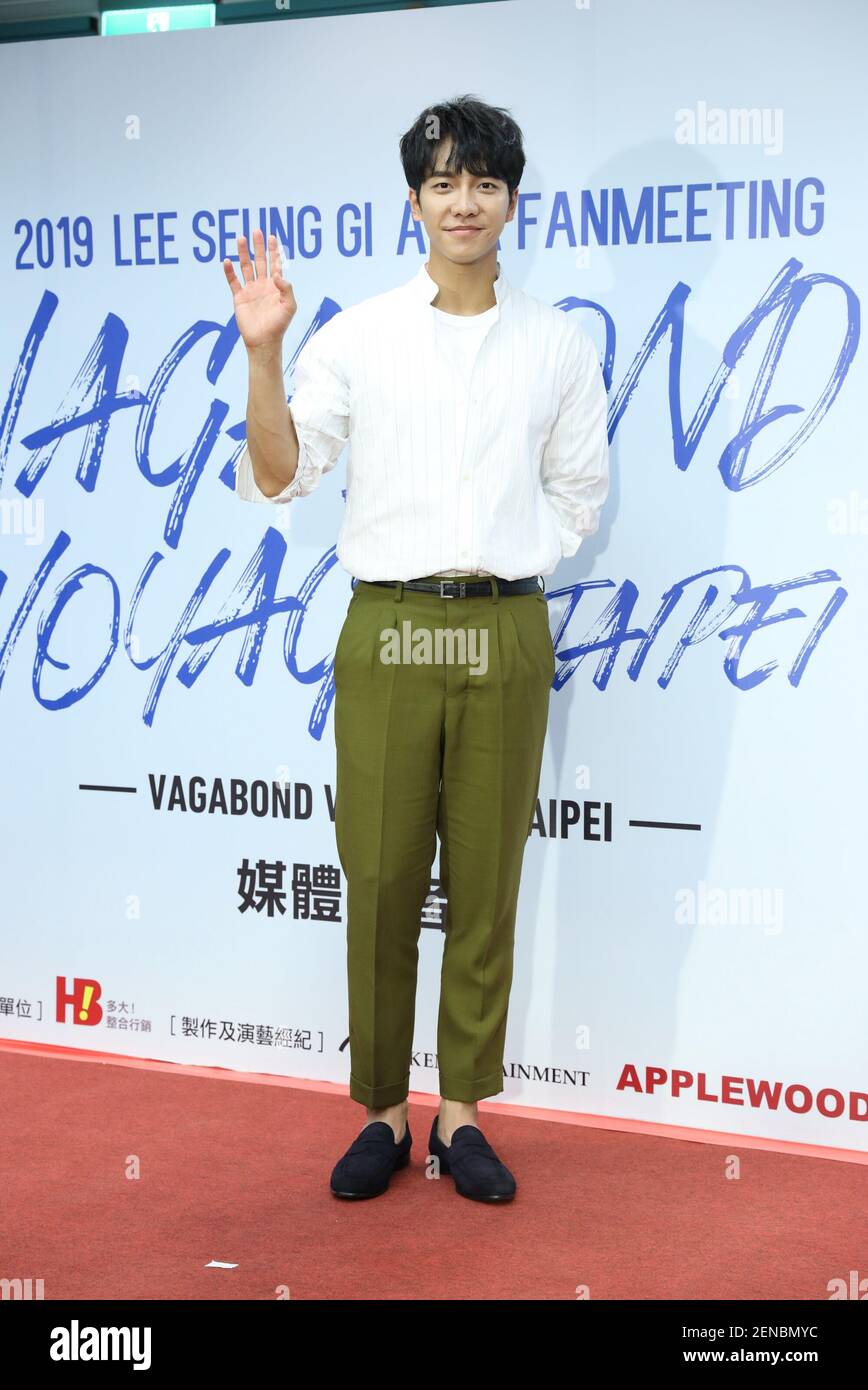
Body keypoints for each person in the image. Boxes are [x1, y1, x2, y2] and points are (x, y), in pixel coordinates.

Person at [225, 95, 609, 1204]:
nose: (464, 200)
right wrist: (265, 353)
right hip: (387, 624)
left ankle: (464, 1114)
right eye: (443, 181)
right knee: (385, 875)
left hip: (504, 622)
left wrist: (505, 556)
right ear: (415, 201)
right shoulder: (355, 336)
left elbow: (578, 492)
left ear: (510, 201)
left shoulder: (556, 341)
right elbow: (279, 473)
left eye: (483, 181)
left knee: (484, 879)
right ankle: (383, 1112)